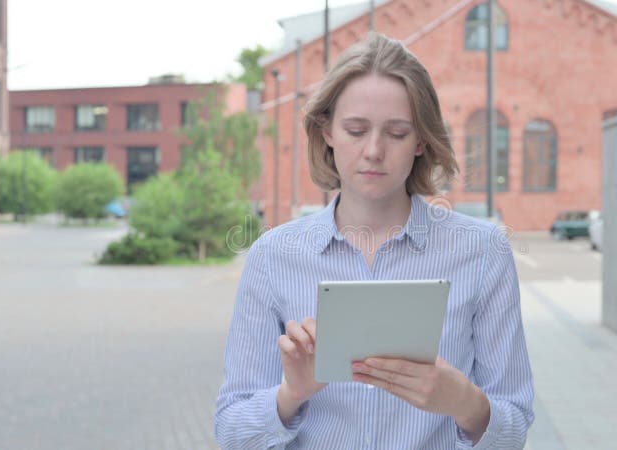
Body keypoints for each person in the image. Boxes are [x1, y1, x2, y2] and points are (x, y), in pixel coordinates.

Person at [214, 33, 534, 449]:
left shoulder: (483, 251)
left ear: (421, 140)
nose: (374, 150)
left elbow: (514, 430)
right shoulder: (272, 257)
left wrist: (465, 402)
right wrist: (291, 395)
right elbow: (232, 432)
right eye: (355, 130)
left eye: (397, 133)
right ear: (327, 131)